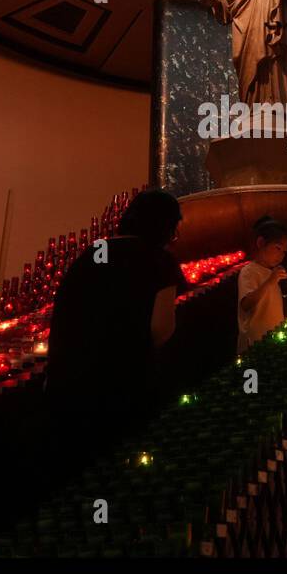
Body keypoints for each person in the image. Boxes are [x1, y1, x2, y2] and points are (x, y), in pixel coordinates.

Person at [44, 190, 186, 452]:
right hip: (122, 386)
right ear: (166, 226)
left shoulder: (94, 252)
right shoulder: (158, 260)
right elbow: (161, 329)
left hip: (69, 385)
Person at [237, 216, 287, 354]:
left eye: (284, 251)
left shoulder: (271, 273)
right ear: (261, 243)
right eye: (278, 248)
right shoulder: (249, 271)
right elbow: (246, 304)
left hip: (272, 341)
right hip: (255, 343)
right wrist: (271, 281)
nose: (281, 255)